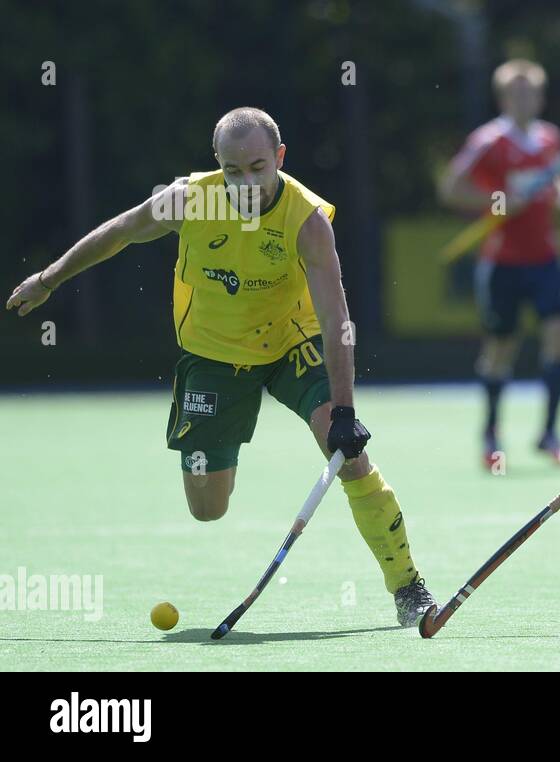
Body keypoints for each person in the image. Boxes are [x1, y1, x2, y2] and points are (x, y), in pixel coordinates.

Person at [6, 107, 437, 626]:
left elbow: (336, 319)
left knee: (345, 451)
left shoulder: (306, 221)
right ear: (218, 165)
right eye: (233, 171)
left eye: (258, 167)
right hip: (212, 353)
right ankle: (224, 446)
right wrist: (49, 279)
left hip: (289, 344)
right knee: (207, 506)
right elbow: (120, 231)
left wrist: (344, 409)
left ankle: (408, 586)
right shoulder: (191, 199)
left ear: (279, 158)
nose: (247, 182)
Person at [441, 59, 560, 470]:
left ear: (540, 97)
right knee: (500, 349)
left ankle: (550, 434)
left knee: (559, 336)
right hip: (502, 260)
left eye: (531, 92)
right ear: (503, 97)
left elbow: (556, 182)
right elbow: (451, 188)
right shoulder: (488, 141)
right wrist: (501, 200)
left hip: (546, 258)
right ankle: (491, 437)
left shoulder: (549, 138)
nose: (524, 99)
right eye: (515, 92)